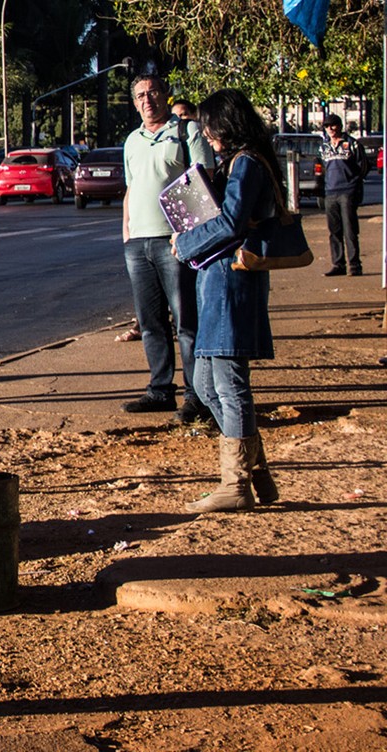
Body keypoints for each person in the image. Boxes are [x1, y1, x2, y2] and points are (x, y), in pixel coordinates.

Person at [170, 88, 280, 513]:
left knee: (229, 385)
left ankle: (237, 483)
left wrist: (187, 241)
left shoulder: (248, 163)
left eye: (210, 126)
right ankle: (257, 473)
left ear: (227, 123)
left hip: (232, 284)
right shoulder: (242, 162)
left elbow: (232, 221)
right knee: (204, 384)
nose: (207, 133)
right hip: (217, 283)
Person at [122, 74, 214, 424]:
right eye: (141, 95)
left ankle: (197, 396)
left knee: (187, 322)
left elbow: (202, 183)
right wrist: (126, 233)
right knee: (150, 322)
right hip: (138, 242)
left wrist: (188, 236)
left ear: (165, 95)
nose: (148, 100)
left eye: (154, 92)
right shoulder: (132, 141)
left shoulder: (185, 132)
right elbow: (132, 189)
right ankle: (160, 389)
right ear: (134, 103)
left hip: (175, 241)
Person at [319, 113, 367, 277]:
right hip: (331, 192)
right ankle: (338, 264)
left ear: (339, 126)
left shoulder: (352, 144)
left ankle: (355, 265)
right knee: (334, 230)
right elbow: (324, 168)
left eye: (333, 125)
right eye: (327, 126)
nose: (330, 129)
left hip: (347, 191)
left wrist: (353, 182)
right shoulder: (324, 146)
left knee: (350, 230)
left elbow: (364, 167)